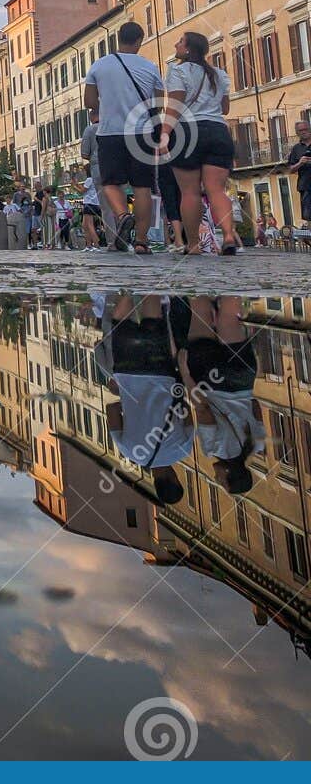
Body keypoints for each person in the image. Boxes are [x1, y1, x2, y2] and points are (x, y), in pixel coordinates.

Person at [101, 292, 193, 504]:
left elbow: (185, 409)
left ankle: (145, 272)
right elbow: (112, 411)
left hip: (162, 372)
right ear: (156, 481)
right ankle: (127, 285)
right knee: (120, 323)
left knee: (153, 319)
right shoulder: (130, 453)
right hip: (128, 373)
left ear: (175, 478)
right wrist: (129, 402)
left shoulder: (184, 449)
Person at [82, 21, 164, 255]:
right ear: (139, 40)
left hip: (110, 132)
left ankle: (122, 215)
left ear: (118, 39)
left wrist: (108, 103)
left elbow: (89, 102)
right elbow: (159, 102)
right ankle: (141, 241)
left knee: (110, 183)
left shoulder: (99, 66)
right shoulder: (150, 67)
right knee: (142, 187)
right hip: (141, 133)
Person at [159, 29, 240, 256]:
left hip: (188, 131)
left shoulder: (177, 70)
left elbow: (174, 106)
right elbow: (225, 109)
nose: (176, 45)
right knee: (217, 190)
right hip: (217, 131)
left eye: (180, 42)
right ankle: (229, 235)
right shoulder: (219, 74)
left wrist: (164, 134)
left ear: (187, 49)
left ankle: (193, 245)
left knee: (190, 192)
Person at [180, 296, 264, 492]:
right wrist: (185, 374)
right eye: (221, 481)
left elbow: (256, 405)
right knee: (200, 310)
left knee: (229, 313)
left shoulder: (257, 445)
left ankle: (230, 273)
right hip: (208, 376)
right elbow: (203, 410)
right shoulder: (213, 449)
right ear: (228, 475)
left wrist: (237, 397)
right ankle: (197, 270)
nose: (216, 478)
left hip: (242, 377)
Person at [287, 119, 311, 227]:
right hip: (305, 187)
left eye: (305, 129)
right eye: (300, 130)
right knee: (308, 216)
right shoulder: (296, 149)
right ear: (297, 133)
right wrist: (300, 163)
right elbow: (291, 169)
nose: (303, 132)